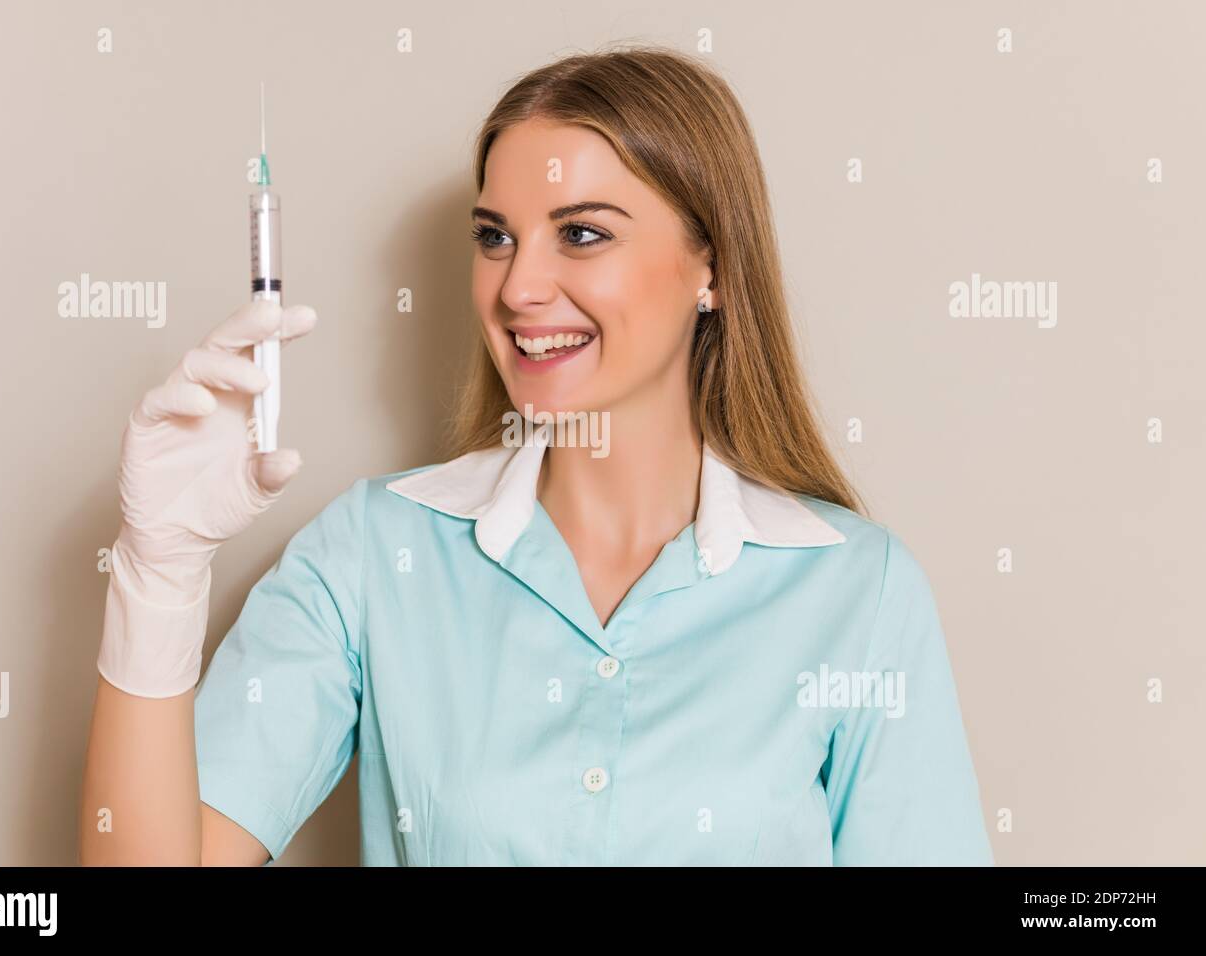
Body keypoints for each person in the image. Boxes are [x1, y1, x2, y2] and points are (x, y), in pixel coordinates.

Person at [79, 45, 993, 866]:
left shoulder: (859, 594)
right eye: (495, 237)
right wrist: (159, 571)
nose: (518, 286)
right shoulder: (369, 556)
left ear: (709, 265)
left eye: (582, 233)